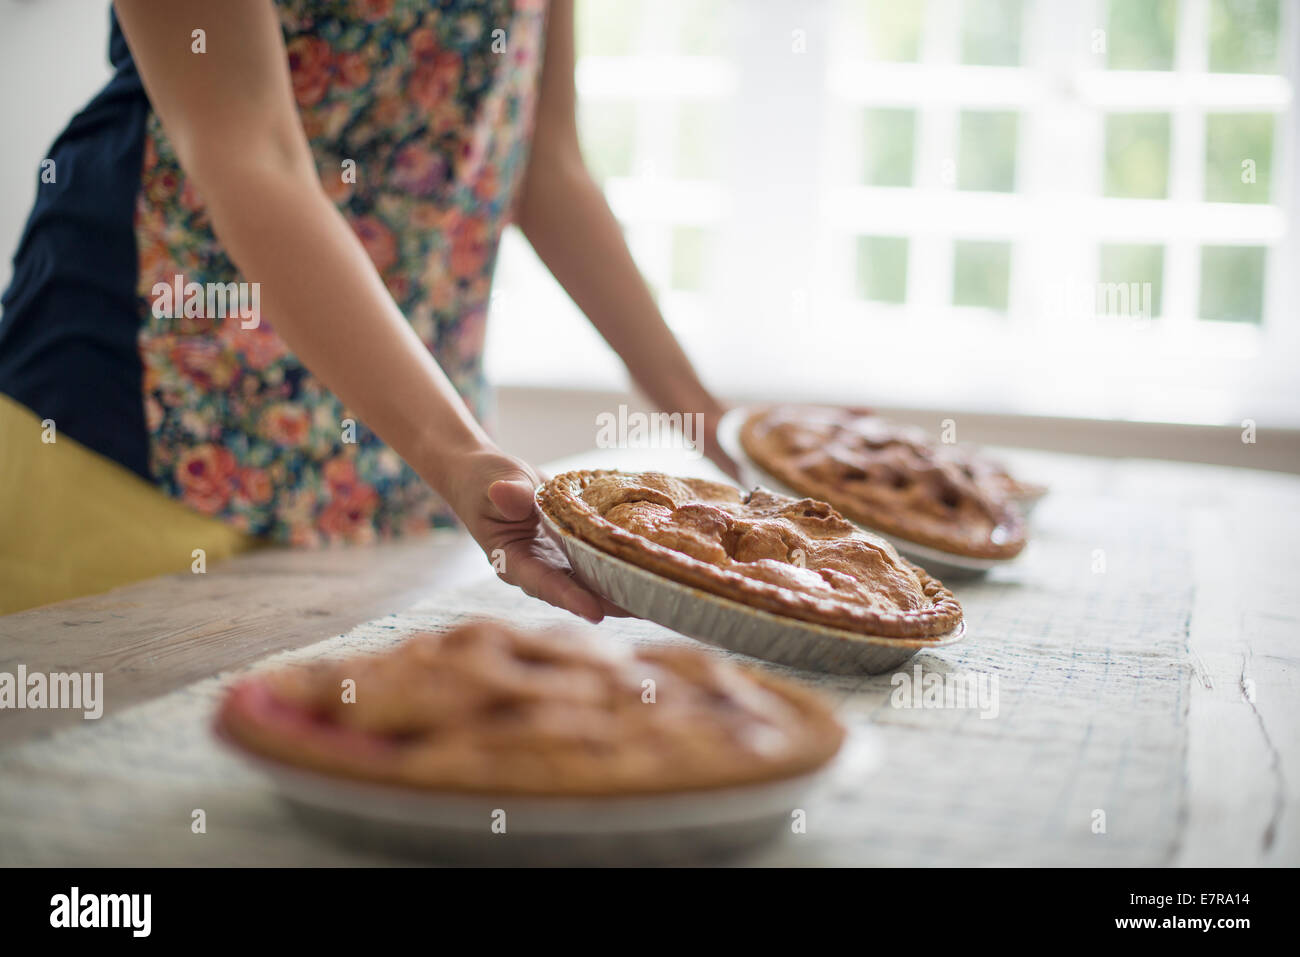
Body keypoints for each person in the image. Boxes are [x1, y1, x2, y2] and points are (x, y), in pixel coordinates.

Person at [0, 0, 735, 616]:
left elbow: (547, 165)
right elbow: (251, 153)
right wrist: (457, 453)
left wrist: (714, 423)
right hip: (139, 415)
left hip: (397, 446)